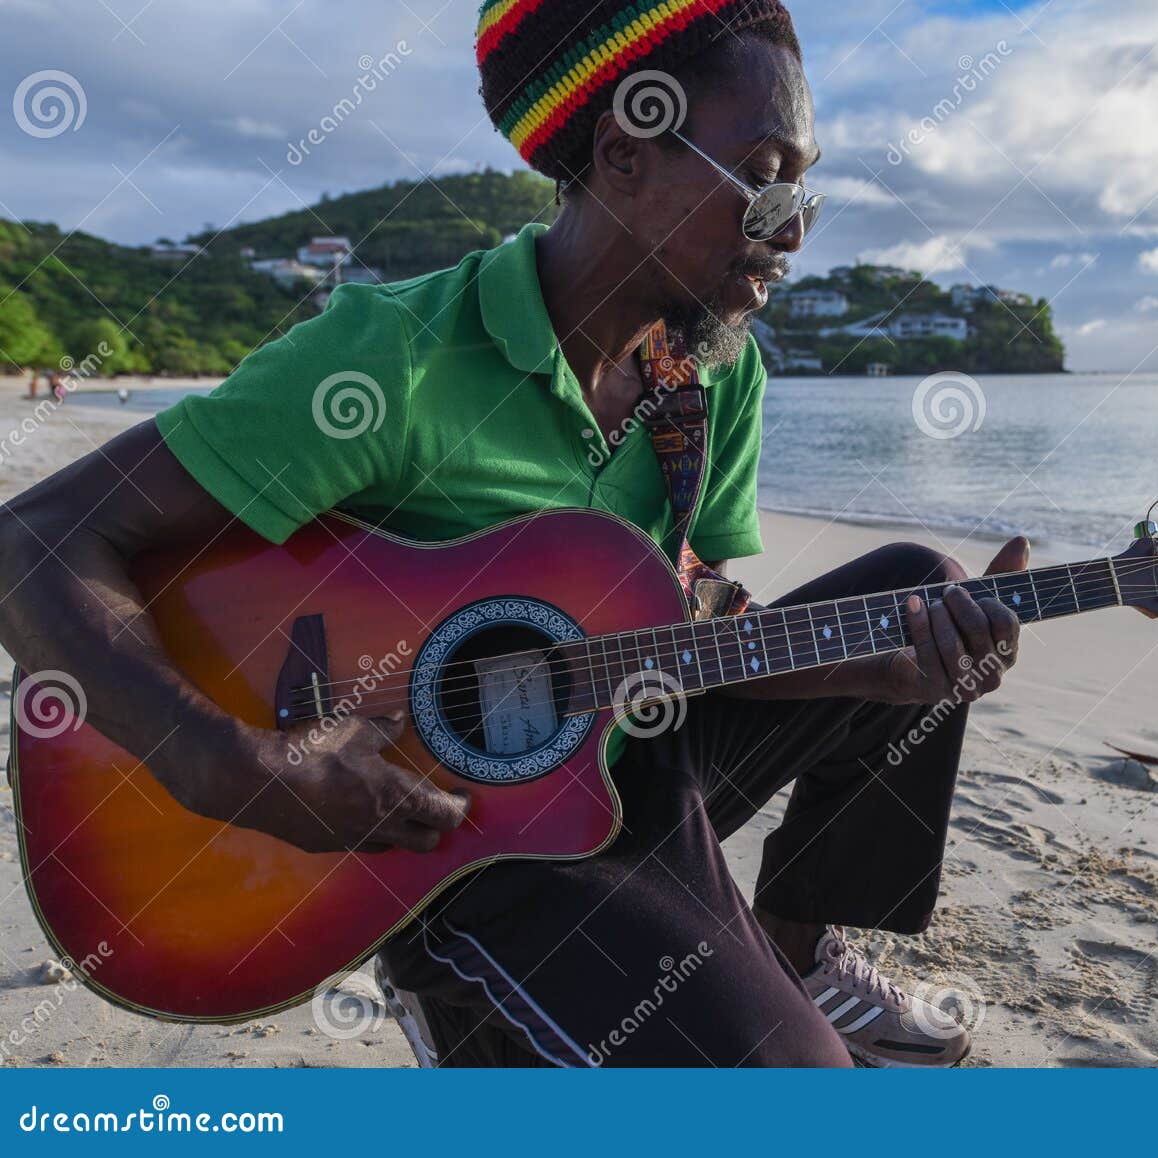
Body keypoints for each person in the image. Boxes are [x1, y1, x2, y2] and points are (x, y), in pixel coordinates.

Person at [0, 0, 1024, 1067]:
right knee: (788, 1080)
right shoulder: (390, 358)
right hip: (452, 831)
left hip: (625, 751)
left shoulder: (719, 374)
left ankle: (789, 946)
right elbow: (31, 540)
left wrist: (877, 674)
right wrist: (227, 762)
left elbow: (690, 628)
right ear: (625, 154)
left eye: (803, 183)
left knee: (917, 585)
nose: (794, 226)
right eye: (763, 173)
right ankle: (466, 992)